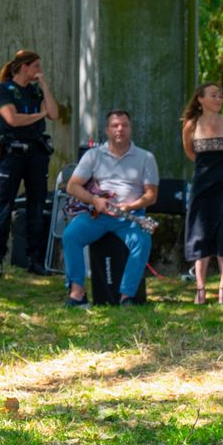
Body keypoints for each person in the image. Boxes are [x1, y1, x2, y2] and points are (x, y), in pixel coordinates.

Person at [62, 110, 159, 308]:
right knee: (71, 235)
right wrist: (94, 200)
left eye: (124, 125)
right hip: (98, 213)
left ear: (130, 129)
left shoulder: (146, 157)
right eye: (115, 125)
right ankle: (77, 293)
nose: (120, 129)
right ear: (107, 130)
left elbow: (151, 195)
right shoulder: (93, 155)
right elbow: (72, 186)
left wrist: (129, 206)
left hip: (129, 215)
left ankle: (126, 296)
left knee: (142, 242)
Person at [0, 50, 60, 277]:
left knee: (36, 205)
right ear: (24, 67)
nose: (39, 70)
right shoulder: (5, 89)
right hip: (13, 153)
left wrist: (45, 86)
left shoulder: (36, 90)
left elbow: (54, 114)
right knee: (4, 204)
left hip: (36, 154)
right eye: (36, 66)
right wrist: (40, 116)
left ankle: (35, 259)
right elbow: (12, 119)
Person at [182, 84, 223, 304]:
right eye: (213, 95)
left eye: (220, 95)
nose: (218, 98)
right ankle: (200, 288)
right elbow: (190, 152)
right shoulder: (191, 125)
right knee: (200, 232)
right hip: (202, 184)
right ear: (200, 99)